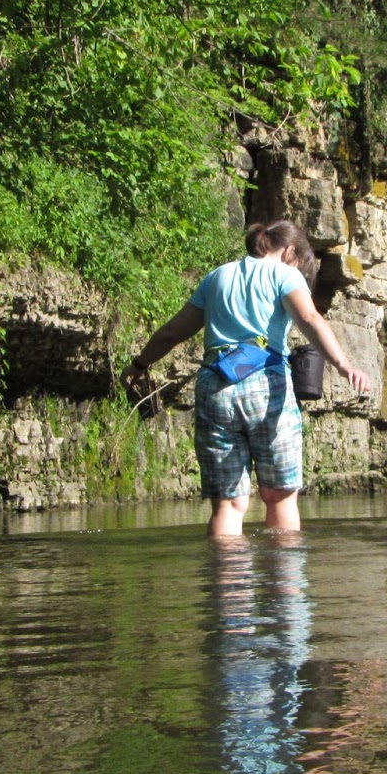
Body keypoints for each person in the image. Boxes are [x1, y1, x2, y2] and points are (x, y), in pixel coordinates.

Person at [119, 219, 373, 536]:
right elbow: (308, 318)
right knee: (279, 497)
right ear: (290, 250)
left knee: (227, 504)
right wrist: (344, 365)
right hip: (266, 383)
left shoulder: (216, 277)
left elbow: (173, 332)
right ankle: (282, 582)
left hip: (215, 386)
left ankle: (228, 583)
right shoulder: (285, 274)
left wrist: (139, 364)